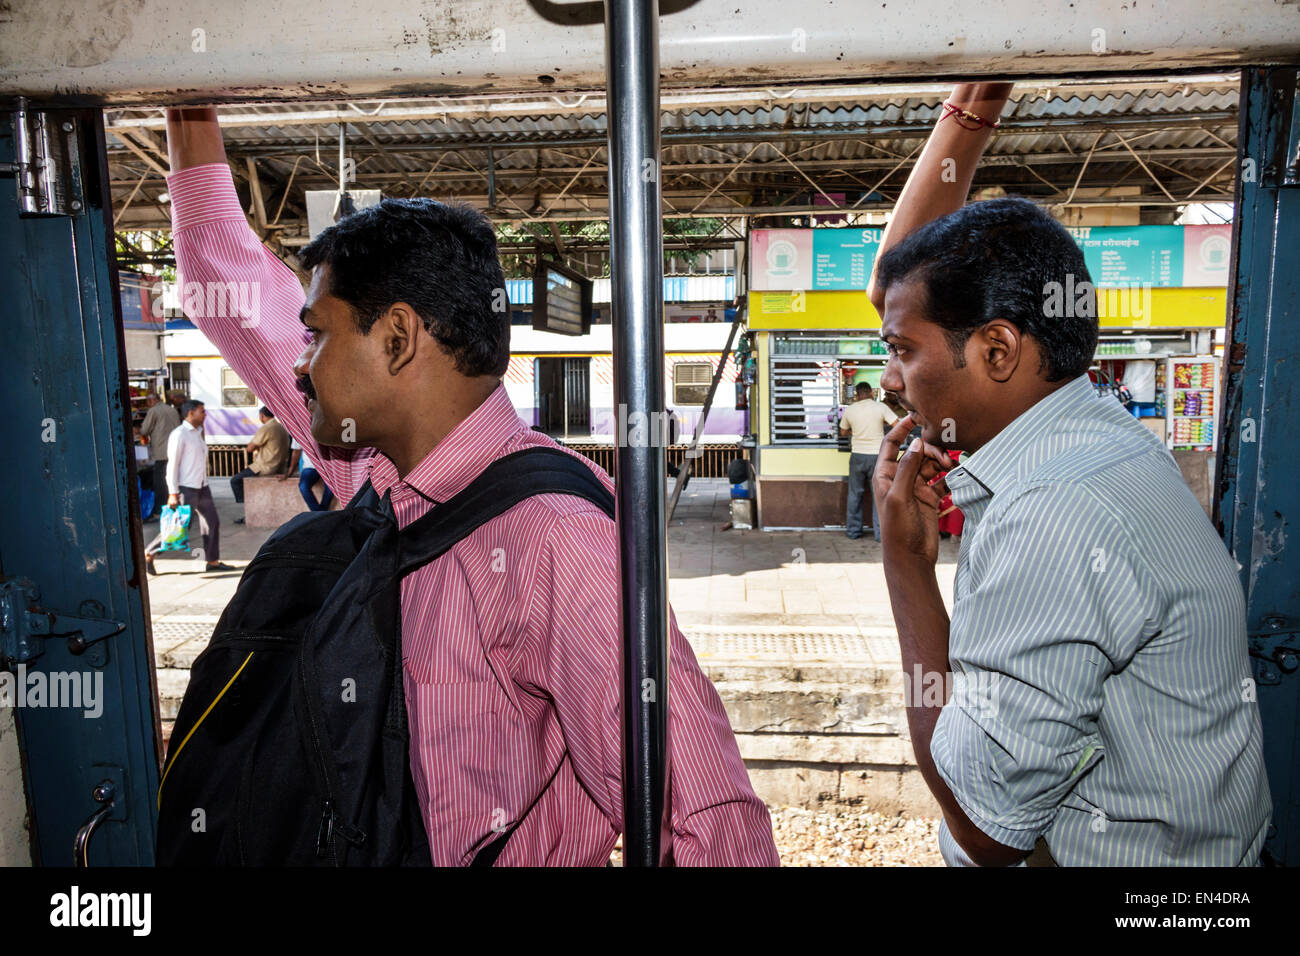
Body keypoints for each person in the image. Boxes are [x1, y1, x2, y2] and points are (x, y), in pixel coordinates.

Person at [162, 106, 778, 866]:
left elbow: (707, 821)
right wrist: (188, 107)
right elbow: (227, 283)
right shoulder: (378, 475)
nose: (298, 363)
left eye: (317, 334)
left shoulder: (557, 538)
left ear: (397, 339)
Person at [867, 82, 1270, 866]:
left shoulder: (1052, 509)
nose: (890, 381)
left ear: (997, 351)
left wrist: (906, 568)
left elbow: (985, 826)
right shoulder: (1101, 441)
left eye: (902, 350)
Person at [144, 399, 237, 575]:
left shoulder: (198, 433)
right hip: (186, 488)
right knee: (179, 526)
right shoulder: (179, 434)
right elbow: (172, 465)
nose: (205, 414)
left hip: (203, 486)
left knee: (212, 523)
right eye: (202, 411)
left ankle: (212, 561)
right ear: (190, 413)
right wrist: (173, 492)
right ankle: (150, 551)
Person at [838, 382, 897, 541]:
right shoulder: (880, 408)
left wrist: (855, 431)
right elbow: (897, 425)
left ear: (856, 395)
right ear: (871, 393)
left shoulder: (851, 409)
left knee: (855, 494)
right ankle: (880, 535)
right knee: (878, 494)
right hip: (877, 456)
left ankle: (853, 531)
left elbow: (843, 431)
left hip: (857, 455)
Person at [230, 405, 292, 523]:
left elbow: (250, 448)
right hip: (280, 466)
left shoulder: (267, 427)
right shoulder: (281, 427)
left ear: (262, 416)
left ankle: (249, 507)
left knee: (235, 481)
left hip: (265, 466)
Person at [140, 389, 182, 514]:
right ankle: (177, 507)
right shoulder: (172, 409)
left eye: (147, 401)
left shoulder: (153, 411)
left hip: (162, 452)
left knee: (161, 483)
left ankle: (161, 510)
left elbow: (144, 430)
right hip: (176, 451)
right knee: (175, 480)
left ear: (151, 400)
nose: (147, 404)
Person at [282, 437, 334, 512]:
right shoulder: (299, 428)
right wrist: (289, 472)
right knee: (303, 486)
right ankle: (320, 514)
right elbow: (296, 451)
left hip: (330, 467)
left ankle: (320, 514)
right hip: (310, 467)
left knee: (331, 487)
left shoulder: (330, 426)